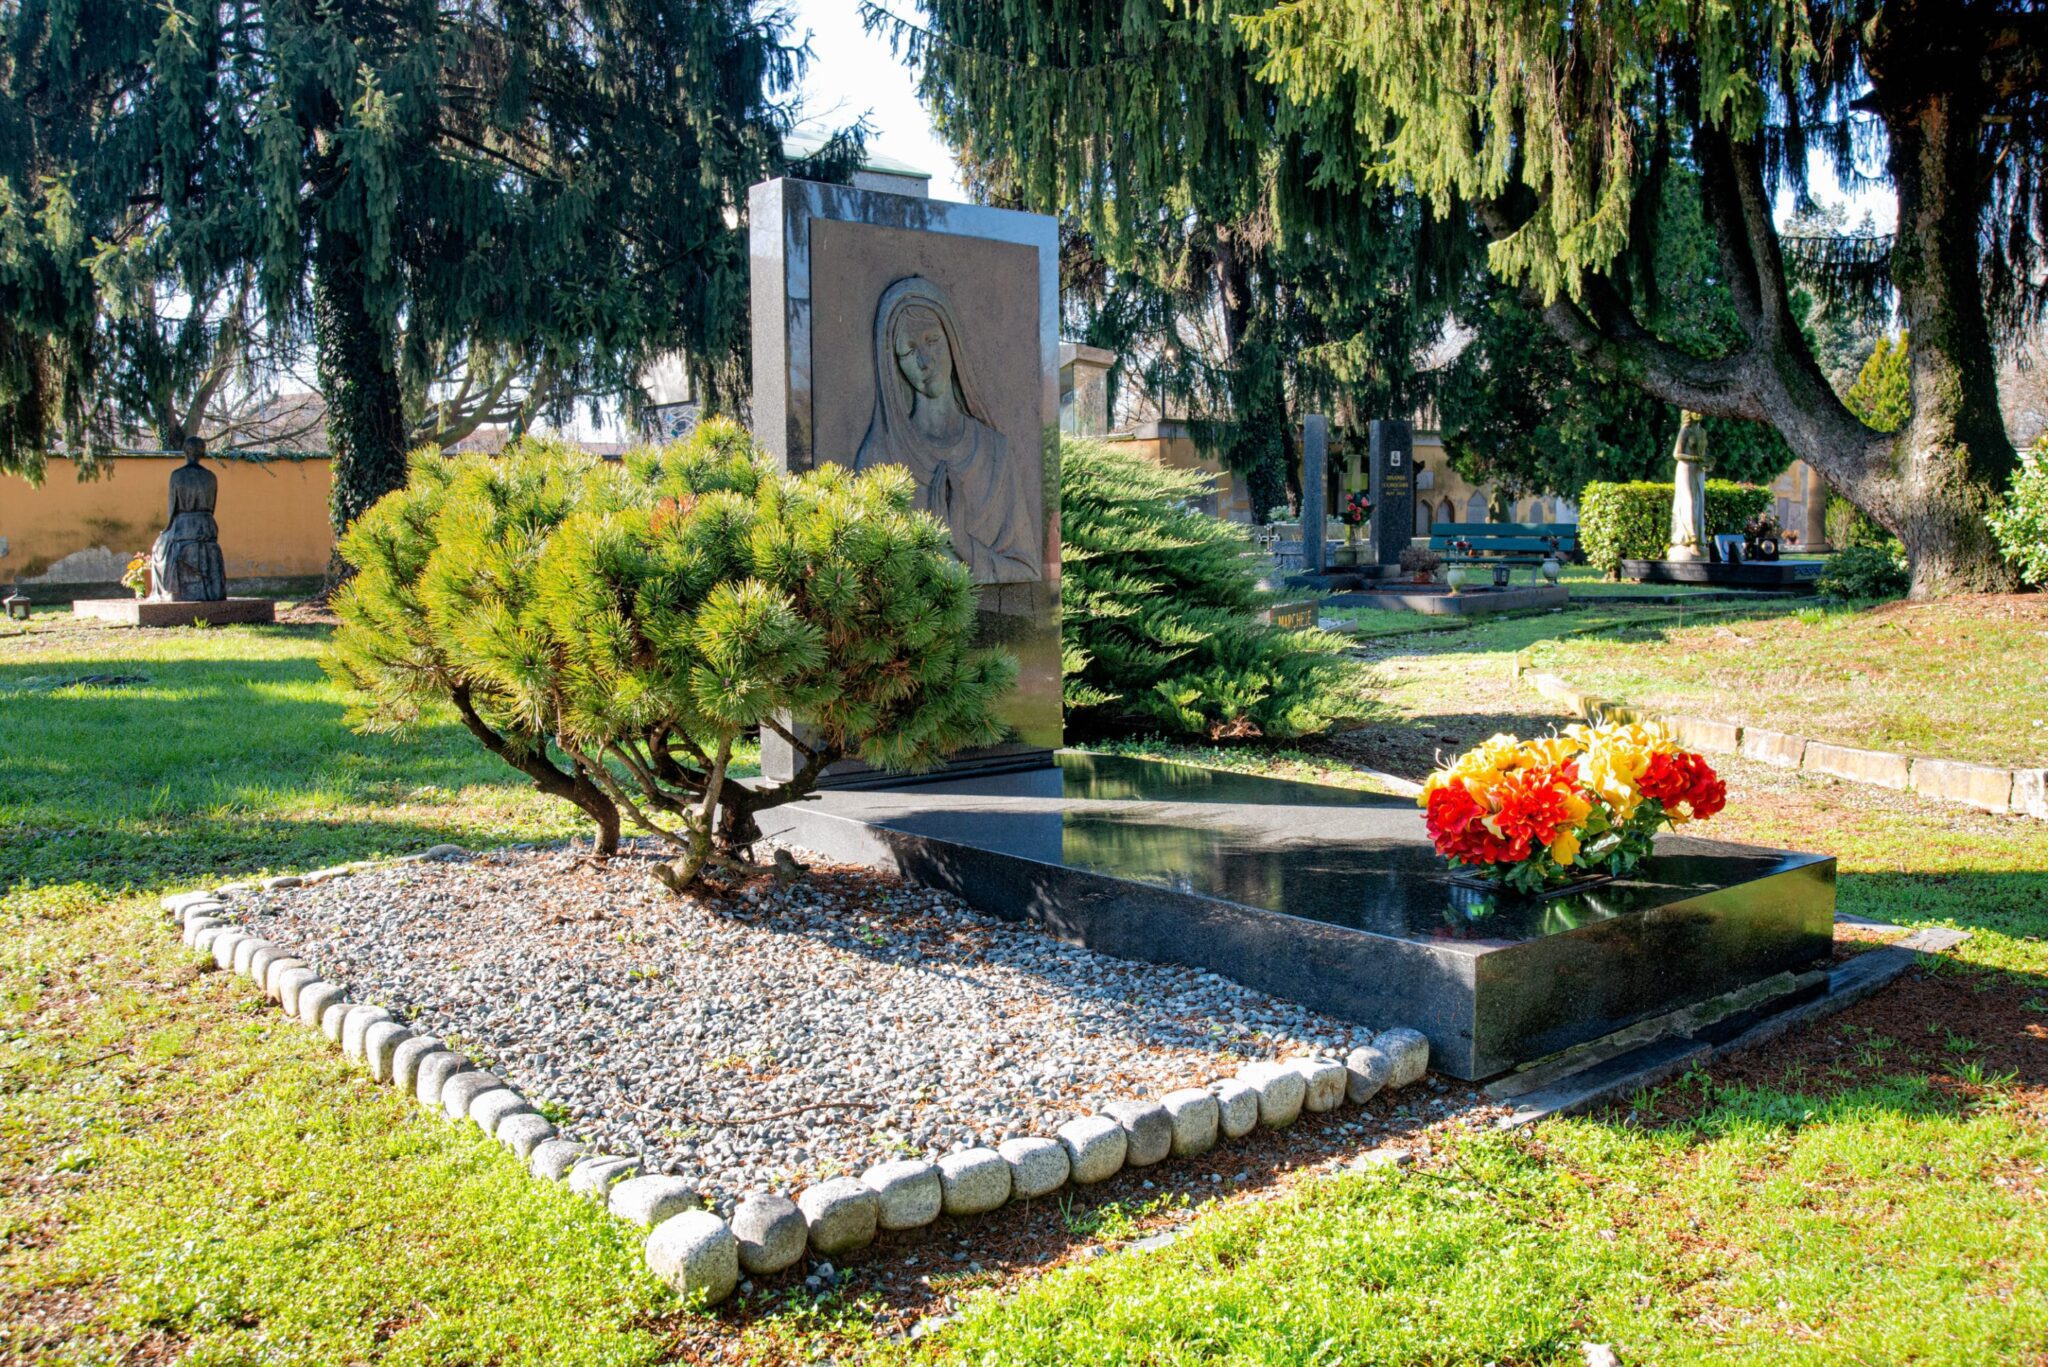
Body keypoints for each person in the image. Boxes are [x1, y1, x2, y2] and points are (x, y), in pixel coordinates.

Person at [855, 276, 1040, 584]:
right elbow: (860, 577)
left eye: (932, 341)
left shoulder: (994, 451)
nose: (924, 361)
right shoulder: (879, 457)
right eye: (908, 351)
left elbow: (1028, 570)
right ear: (892, 365)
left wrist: (964, 546)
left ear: (951, 340)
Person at [148, 437, 227, 601]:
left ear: (185, 452)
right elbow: (212, 506)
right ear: (202, 452)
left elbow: (173, 507)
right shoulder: (211, 476)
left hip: (183, 525)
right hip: (207, 525)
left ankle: (170, 592)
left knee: (158, 549)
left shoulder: (177, 475)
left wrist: (167, 529)